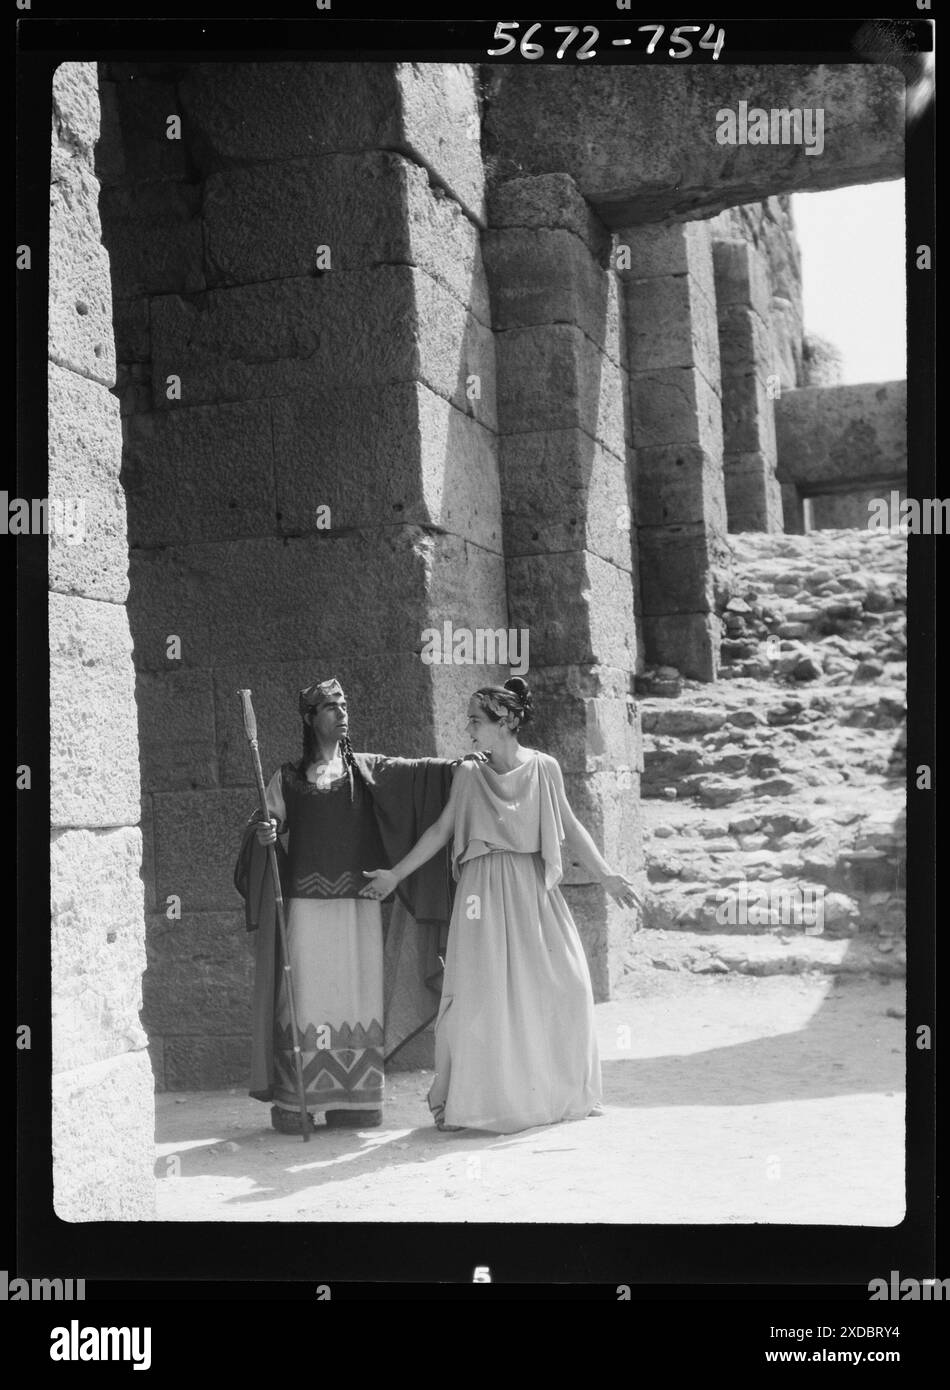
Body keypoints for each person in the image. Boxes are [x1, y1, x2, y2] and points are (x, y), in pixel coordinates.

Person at [361, 677, 641, 1135]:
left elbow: (569, 827)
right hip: (482, 893)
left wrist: (606, 875)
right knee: (481, 998)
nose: (468, 727)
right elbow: (439, 832)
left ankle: (569, 1092)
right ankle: (472, 1104)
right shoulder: (469, 774)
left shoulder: (545, 768)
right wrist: (396, 874)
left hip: (533, 888)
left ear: (506, 722)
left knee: (566, 985)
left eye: (475, 719)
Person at [234, 678, 462, 1135]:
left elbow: (424, 774)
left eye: (344, 705)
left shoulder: (369, 771)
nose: (342, 714)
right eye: (330, 707)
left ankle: (354, 1100)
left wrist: (467, 765)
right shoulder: (288, 777)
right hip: (305, 909)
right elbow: (267, 822)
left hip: (358, 909)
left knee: (356, 997)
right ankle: (296, 1099)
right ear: (309, 718)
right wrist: (265, 833)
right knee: (305, 997)